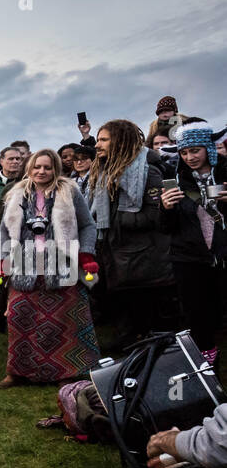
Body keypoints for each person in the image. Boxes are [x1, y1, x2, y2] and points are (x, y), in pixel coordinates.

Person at [0, 148, 100, 388]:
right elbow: (3, 231)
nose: (41, 171)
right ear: (29, 168)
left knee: (65, 321)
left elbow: (88, 226)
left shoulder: (69, 191)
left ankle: (66, 372)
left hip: (62, 266)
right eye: (37, 167)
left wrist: (86, 254)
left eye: (47, 167)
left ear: (56, 169)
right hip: (24, 266)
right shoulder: (16, 194)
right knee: (20, 318)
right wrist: (3, 259)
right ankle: (17, 372)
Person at [89, 119, 175, 351]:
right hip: (120, 256)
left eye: (104, 140)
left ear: (120, 141)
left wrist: (116, 221)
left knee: (150, 316)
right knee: (127, 309)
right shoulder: (106, 171)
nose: (98, 145)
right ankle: (129, 347)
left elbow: (156, 215)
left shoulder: (149, 169)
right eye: (98, 140)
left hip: (146, 259)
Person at [159, 121, 227, 363]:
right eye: (184, 152)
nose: (189, 157)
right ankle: (207, 365)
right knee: (196, 314)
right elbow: (166, 228)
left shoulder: (225, 173)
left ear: (208, 148)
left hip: (223, 254)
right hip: (188, 258)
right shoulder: (174, 179)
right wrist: (166, 207)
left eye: (195, 150)